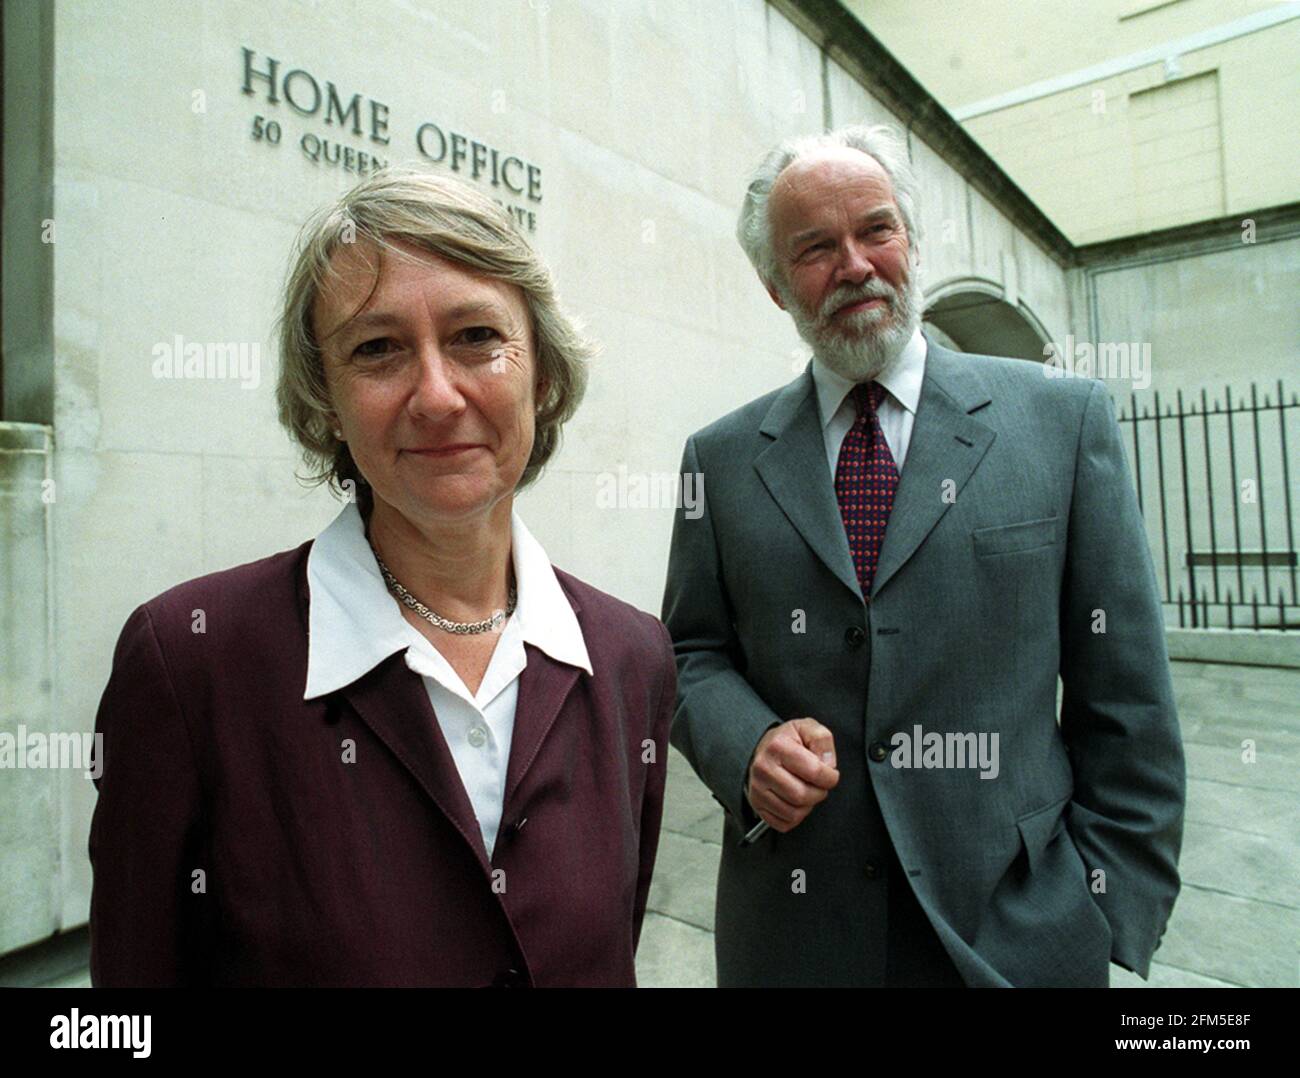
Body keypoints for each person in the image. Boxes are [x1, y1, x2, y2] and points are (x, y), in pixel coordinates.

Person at [88, 167, 675, 987]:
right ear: (325, 399)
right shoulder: (189, 664)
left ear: (540, 373)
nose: (437, 397)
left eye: (476, 336)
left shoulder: (632, 656)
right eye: (377, 349)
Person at [662, 124, 1186, 987]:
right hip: (795, 940)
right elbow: (688, 652)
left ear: (911, 240)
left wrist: (1106, 911)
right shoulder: (717, 459)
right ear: (772, 284)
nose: (856, 265)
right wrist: (745, 745)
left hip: (1021, 930)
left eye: (876, 229)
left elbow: (1126, 694)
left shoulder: (1064, 421)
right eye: (815, 248)